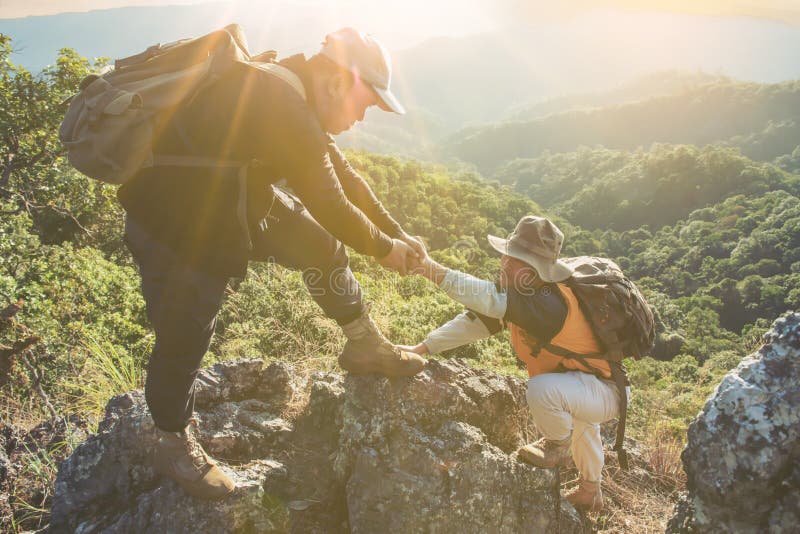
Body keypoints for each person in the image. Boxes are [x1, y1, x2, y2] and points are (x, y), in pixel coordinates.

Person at [118, 27, 427, 500]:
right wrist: (386, 251)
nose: (362, 117)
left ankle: (365, 345)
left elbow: (344, 176)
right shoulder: (279, 99)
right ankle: (171, 441)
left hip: (232, 199)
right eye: (365, 104)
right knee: (187, 330)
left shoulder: (291, 90)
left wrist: (397, 232)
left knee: (320, 246)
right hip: (173, 221)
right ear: (338, 81)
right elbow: (331, 203)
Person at [403, 215, 629, 512]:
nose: (504, 264)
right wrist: (423, 348)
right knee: (579, 413)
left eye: (515, 259)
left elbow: (485, 298)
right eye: (506, 256)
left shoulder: (548, 305)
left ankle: (557, 446)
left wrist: (429, 269)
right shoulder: (527, 296)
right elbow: (476, 322)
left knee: (542, 391)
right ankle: (591, 491)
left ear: (536, 271)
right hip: (587, 384)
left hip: (606, 392)